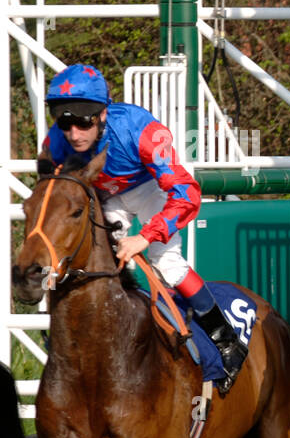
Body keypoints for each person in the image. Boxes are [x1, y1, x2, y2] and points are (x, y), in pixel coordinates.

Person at [41, 63, 246, 391]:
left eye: (82, 121)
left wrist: (144, 237)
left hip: (151, 188)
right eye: (65, 122)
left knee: (167, 264)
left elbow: (188, 194)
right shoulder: (56, 143)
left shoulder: (142, 131)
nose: (74, 133)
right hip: (108, 197)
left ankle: (227, 341)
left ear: (103, 114)